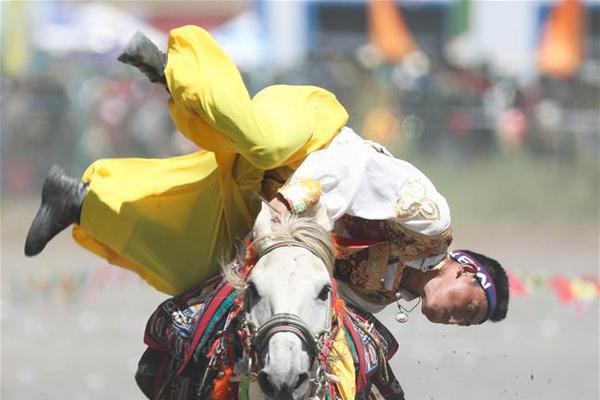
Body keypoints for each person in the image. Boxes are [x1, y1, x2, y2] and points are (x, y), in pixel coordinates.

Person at [24, 25, 508, 326]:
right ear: (466, 270)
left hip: (269, 201)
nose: (456, 319)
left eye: (464, 324)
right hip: (310, 138)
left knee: (196, 268)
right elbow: (352, 165)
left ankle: (76, 201)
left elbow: (302, 282)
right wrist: (293, 202)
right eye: (469, 308)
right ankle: (175, 66)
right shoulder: (431, 223)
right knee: (261, 139)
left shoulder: (379, 298)